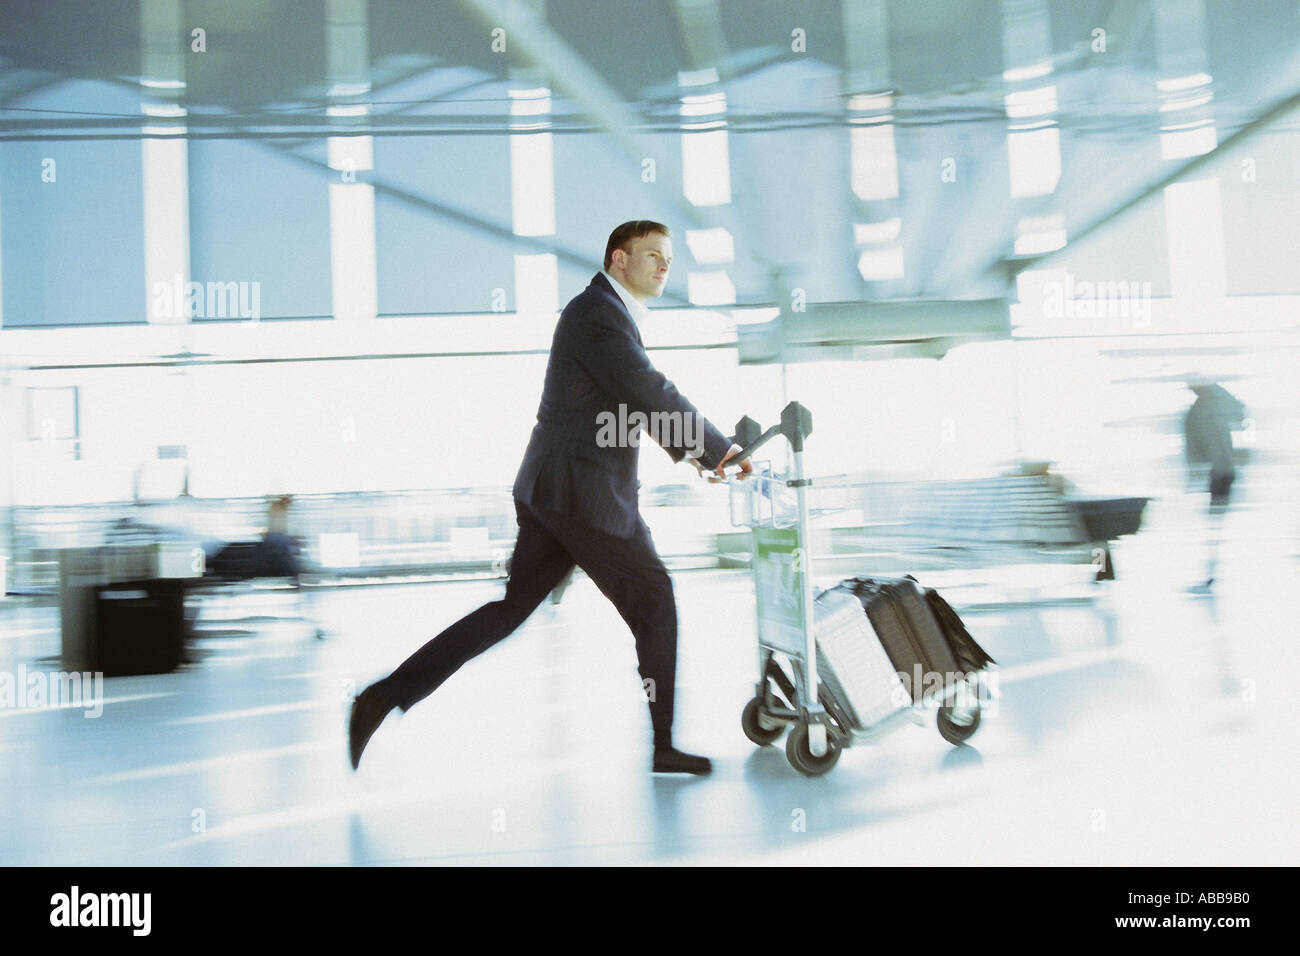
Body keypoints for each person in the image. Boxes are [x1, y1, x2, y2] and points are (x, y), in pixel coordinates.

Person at [348, 221, 751, 774]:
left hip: (557, 493)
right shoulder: (597, 314)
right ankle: (663, 747)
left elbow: (632, 401)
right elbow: (648, 389)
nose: (663, 267)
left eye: (668, 259)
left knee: (510, 611)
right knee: (654, 598)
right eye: (652, 255)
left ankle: (383, 696)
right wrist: (717, 451)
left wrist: (698, 456)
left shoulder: (606, 315)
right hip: (582, 497)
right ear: (618, 260)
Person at [1183, 379, 1246, 593]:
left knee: (1212, 526)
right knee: (1213, 525)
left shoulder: (1201, 411)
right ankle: (1209, 573)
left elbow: (1197, 448)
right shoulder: (1216, 407)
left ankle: (1209, 573)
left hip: (1216, 474)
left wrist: (1194, 478)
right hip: (1223, 472)